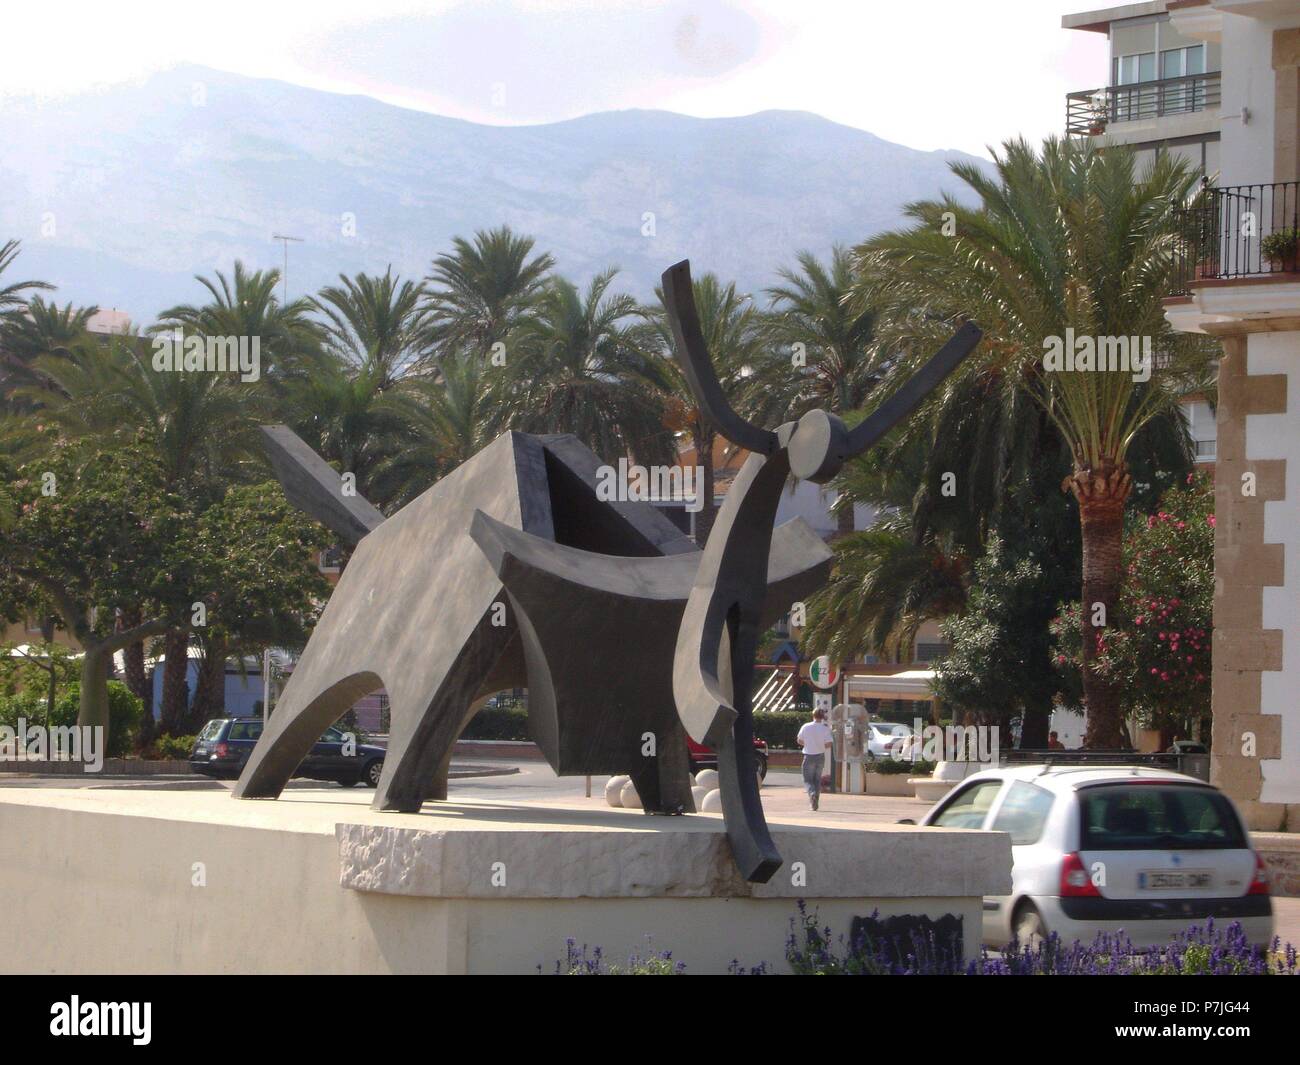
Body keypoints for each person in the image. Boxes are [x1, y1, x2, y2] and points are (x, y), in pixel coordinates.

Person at [796, 707, 833, 810]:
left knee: (808, 779)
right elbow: (829, 743)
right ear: (822, 717)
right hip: (820, 756)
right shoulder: (825, 728)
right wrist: (820, 746)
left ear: (813, 715)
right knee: (817, 779)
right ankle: (815, 801)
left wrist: (807, 744)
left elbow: (799, 740)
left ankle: (812, 794)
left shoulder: (806, 726)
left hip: (808, 755)